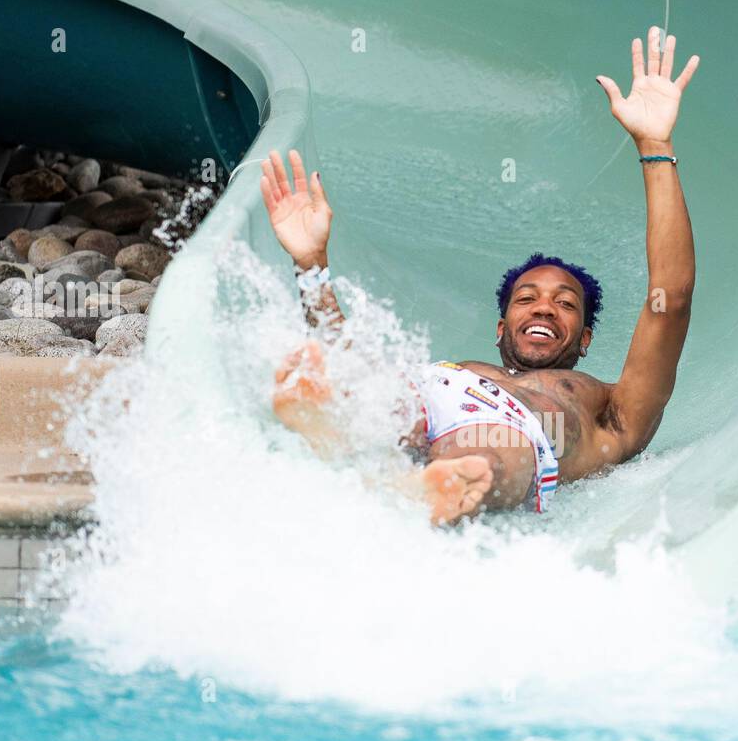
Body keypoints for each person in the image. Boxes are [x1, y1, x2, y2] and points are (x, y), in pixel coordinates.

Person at [264, 27, 698, 524]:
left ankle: (434, 482)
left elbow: (673, 301)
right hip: (429, 395)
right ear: (500, 329)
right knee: (376, 391)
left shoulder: (609, 409)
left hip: (513, 432)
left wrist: (654, 144)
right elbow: (344, 350)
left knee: (491, 450)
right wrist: (310, 263)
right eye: (527, 298)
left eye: (565, 304)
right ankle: (345, 430)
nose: (543, 306)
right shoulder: (462, 367)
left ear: (586, 339)